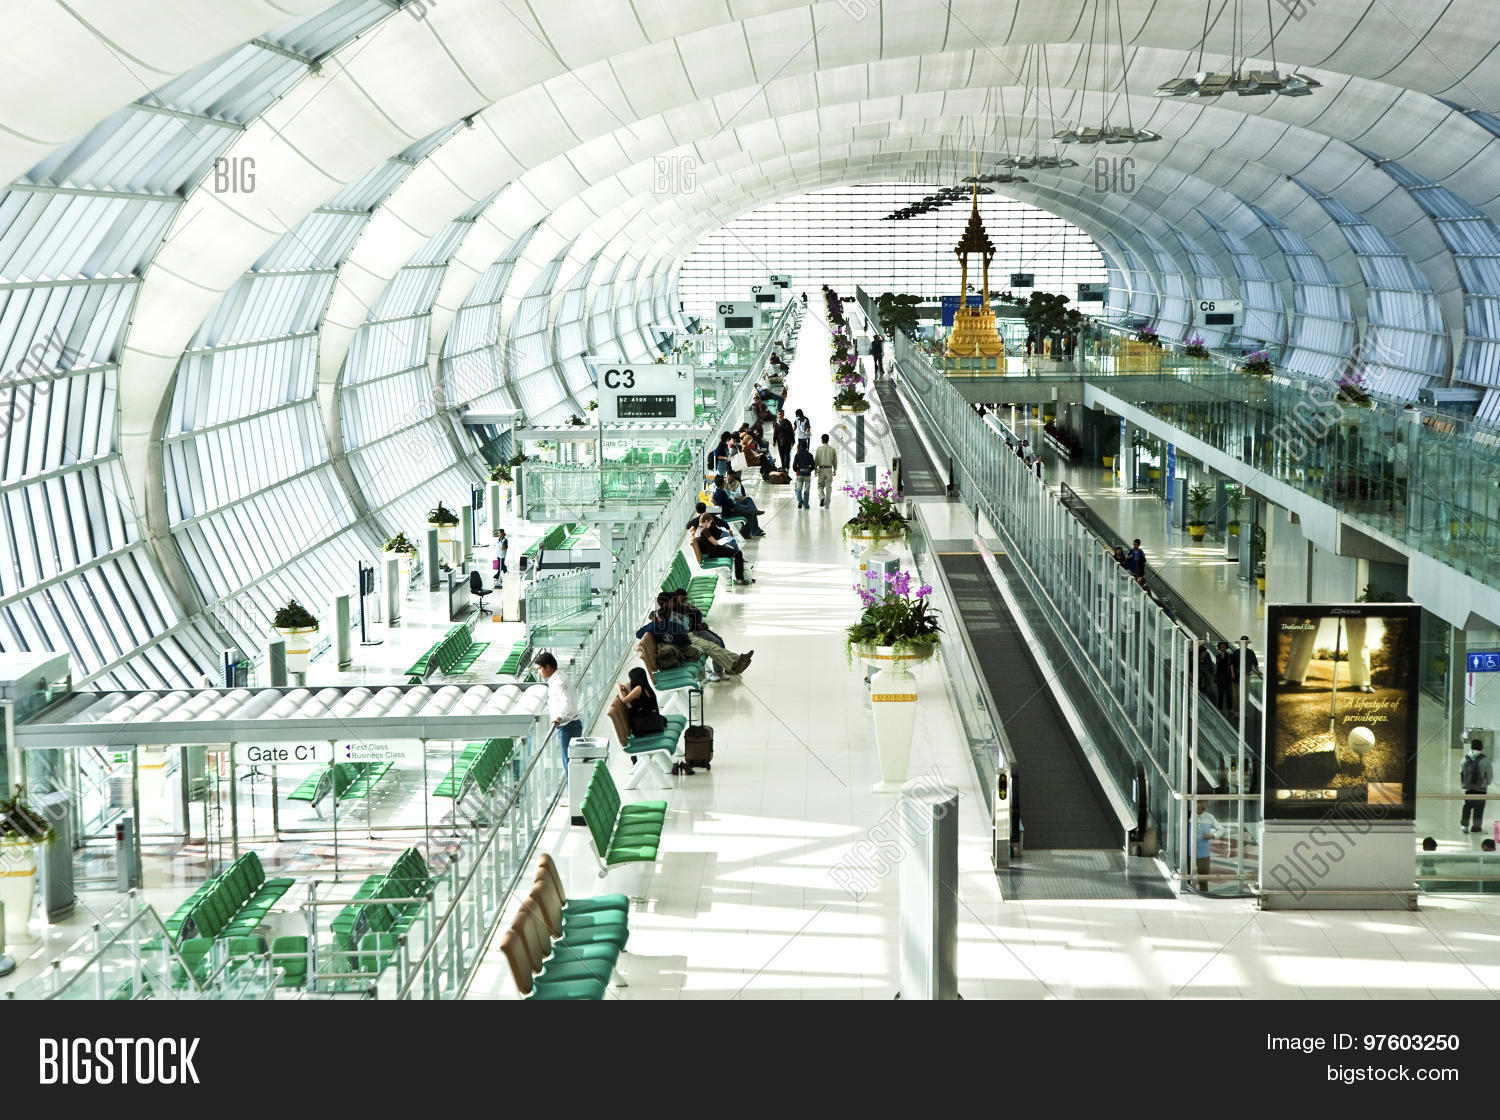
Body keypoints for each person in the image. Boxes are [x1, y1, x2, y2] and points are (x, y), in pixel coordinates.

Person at [535, 652, 581, 776]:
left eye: (540, 668)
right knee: (571, 762)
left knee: (569, 763)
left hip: (567, 726)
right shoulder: (560, 677)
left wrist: (558, 718)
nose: (539, 672)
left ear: (548, 667)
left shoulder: (558, 682)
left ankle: (574, 792)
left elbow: (567, 703)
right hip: (571, 724)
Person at [696, 514, 754, 584]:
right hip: (715, 552)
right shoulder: (704, 530)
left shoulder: (697, 530)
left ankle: (744, 575)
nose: (710, 525)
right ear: (706, 521)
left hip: (710, 552)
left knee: (734, 551)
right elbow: (715, 543)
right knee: (738, 553)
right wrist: (721, 541)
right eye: (710, 523)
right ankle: (740, 579)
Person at [618, 666, 665, 735]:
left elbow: (624, 701)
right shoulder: (647, 688)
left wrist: (618, 688)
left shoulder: (638, 688)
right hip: (655, 721)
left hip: (643, 725)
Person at [1460, 739, 1493, 834]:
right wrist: (1486, 783)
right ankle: (1476, 827)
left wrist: (1465, 783)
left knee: (1467, 806)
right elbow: (1489, 775)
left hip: (1469, 787)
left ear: (1471, 747)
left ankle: (1464, 826)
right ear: (1481, 747)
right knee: (1479, 808)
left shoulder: (1465, 758)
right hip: (1481, 788)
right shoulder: (1486, 760)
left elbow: (1461, 772)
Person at [1193, 800, 1218, 892]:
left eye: (1204, 804)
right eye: (1200, 805)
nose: (1203, 807)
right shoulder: (1187, 816)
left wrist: (1212, 835)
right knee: (1187, 877)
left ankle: (1204, 894)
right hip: (1188, 852)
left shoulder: (1209, 817)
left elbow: (1221, 830)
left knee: (1203, 879)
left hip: (1203, 853)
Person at [813, 432, 838, 507]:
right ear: (828, 440)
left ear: (822, 440)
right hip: (829, 470)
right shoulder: (833, 449)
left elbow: (816, 460)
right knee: (828, 488)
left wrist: (815, 470)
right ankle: (827, 505)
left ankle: (822, 497)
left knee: (820, 486)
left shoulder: (819, 449)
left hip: (821, 469)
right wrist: (835, 469)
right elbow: (835, 460)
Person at [1214, 640, 1238, 713]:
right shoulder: (1218, 656)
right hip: (1220, 677)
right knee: (1220, 694)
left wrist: (1232, 674)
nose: (1222, 648)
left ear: (1226, 647)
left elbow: (1231, 665)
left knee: (1229, 694)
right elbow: (1217, 667)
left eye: (1224, 647)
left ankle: (1230, 708)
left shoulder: (1230, 656)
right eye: (1221, 647)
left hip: (1228, 677)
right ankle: (1219, 708)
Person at [792, 439, 816, 509]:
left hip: (800, 474)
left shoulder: (797, 455)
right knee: (807, 490)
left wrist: (797, 470)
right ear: (806, 447)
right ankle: (806, 505)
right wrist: (809, 470)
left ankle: (800, 500)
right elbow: (813, 465)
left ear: (800, 447)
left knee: (798, 488)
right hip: (807, 474)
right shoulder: (810, 455)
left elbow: (794, 466)